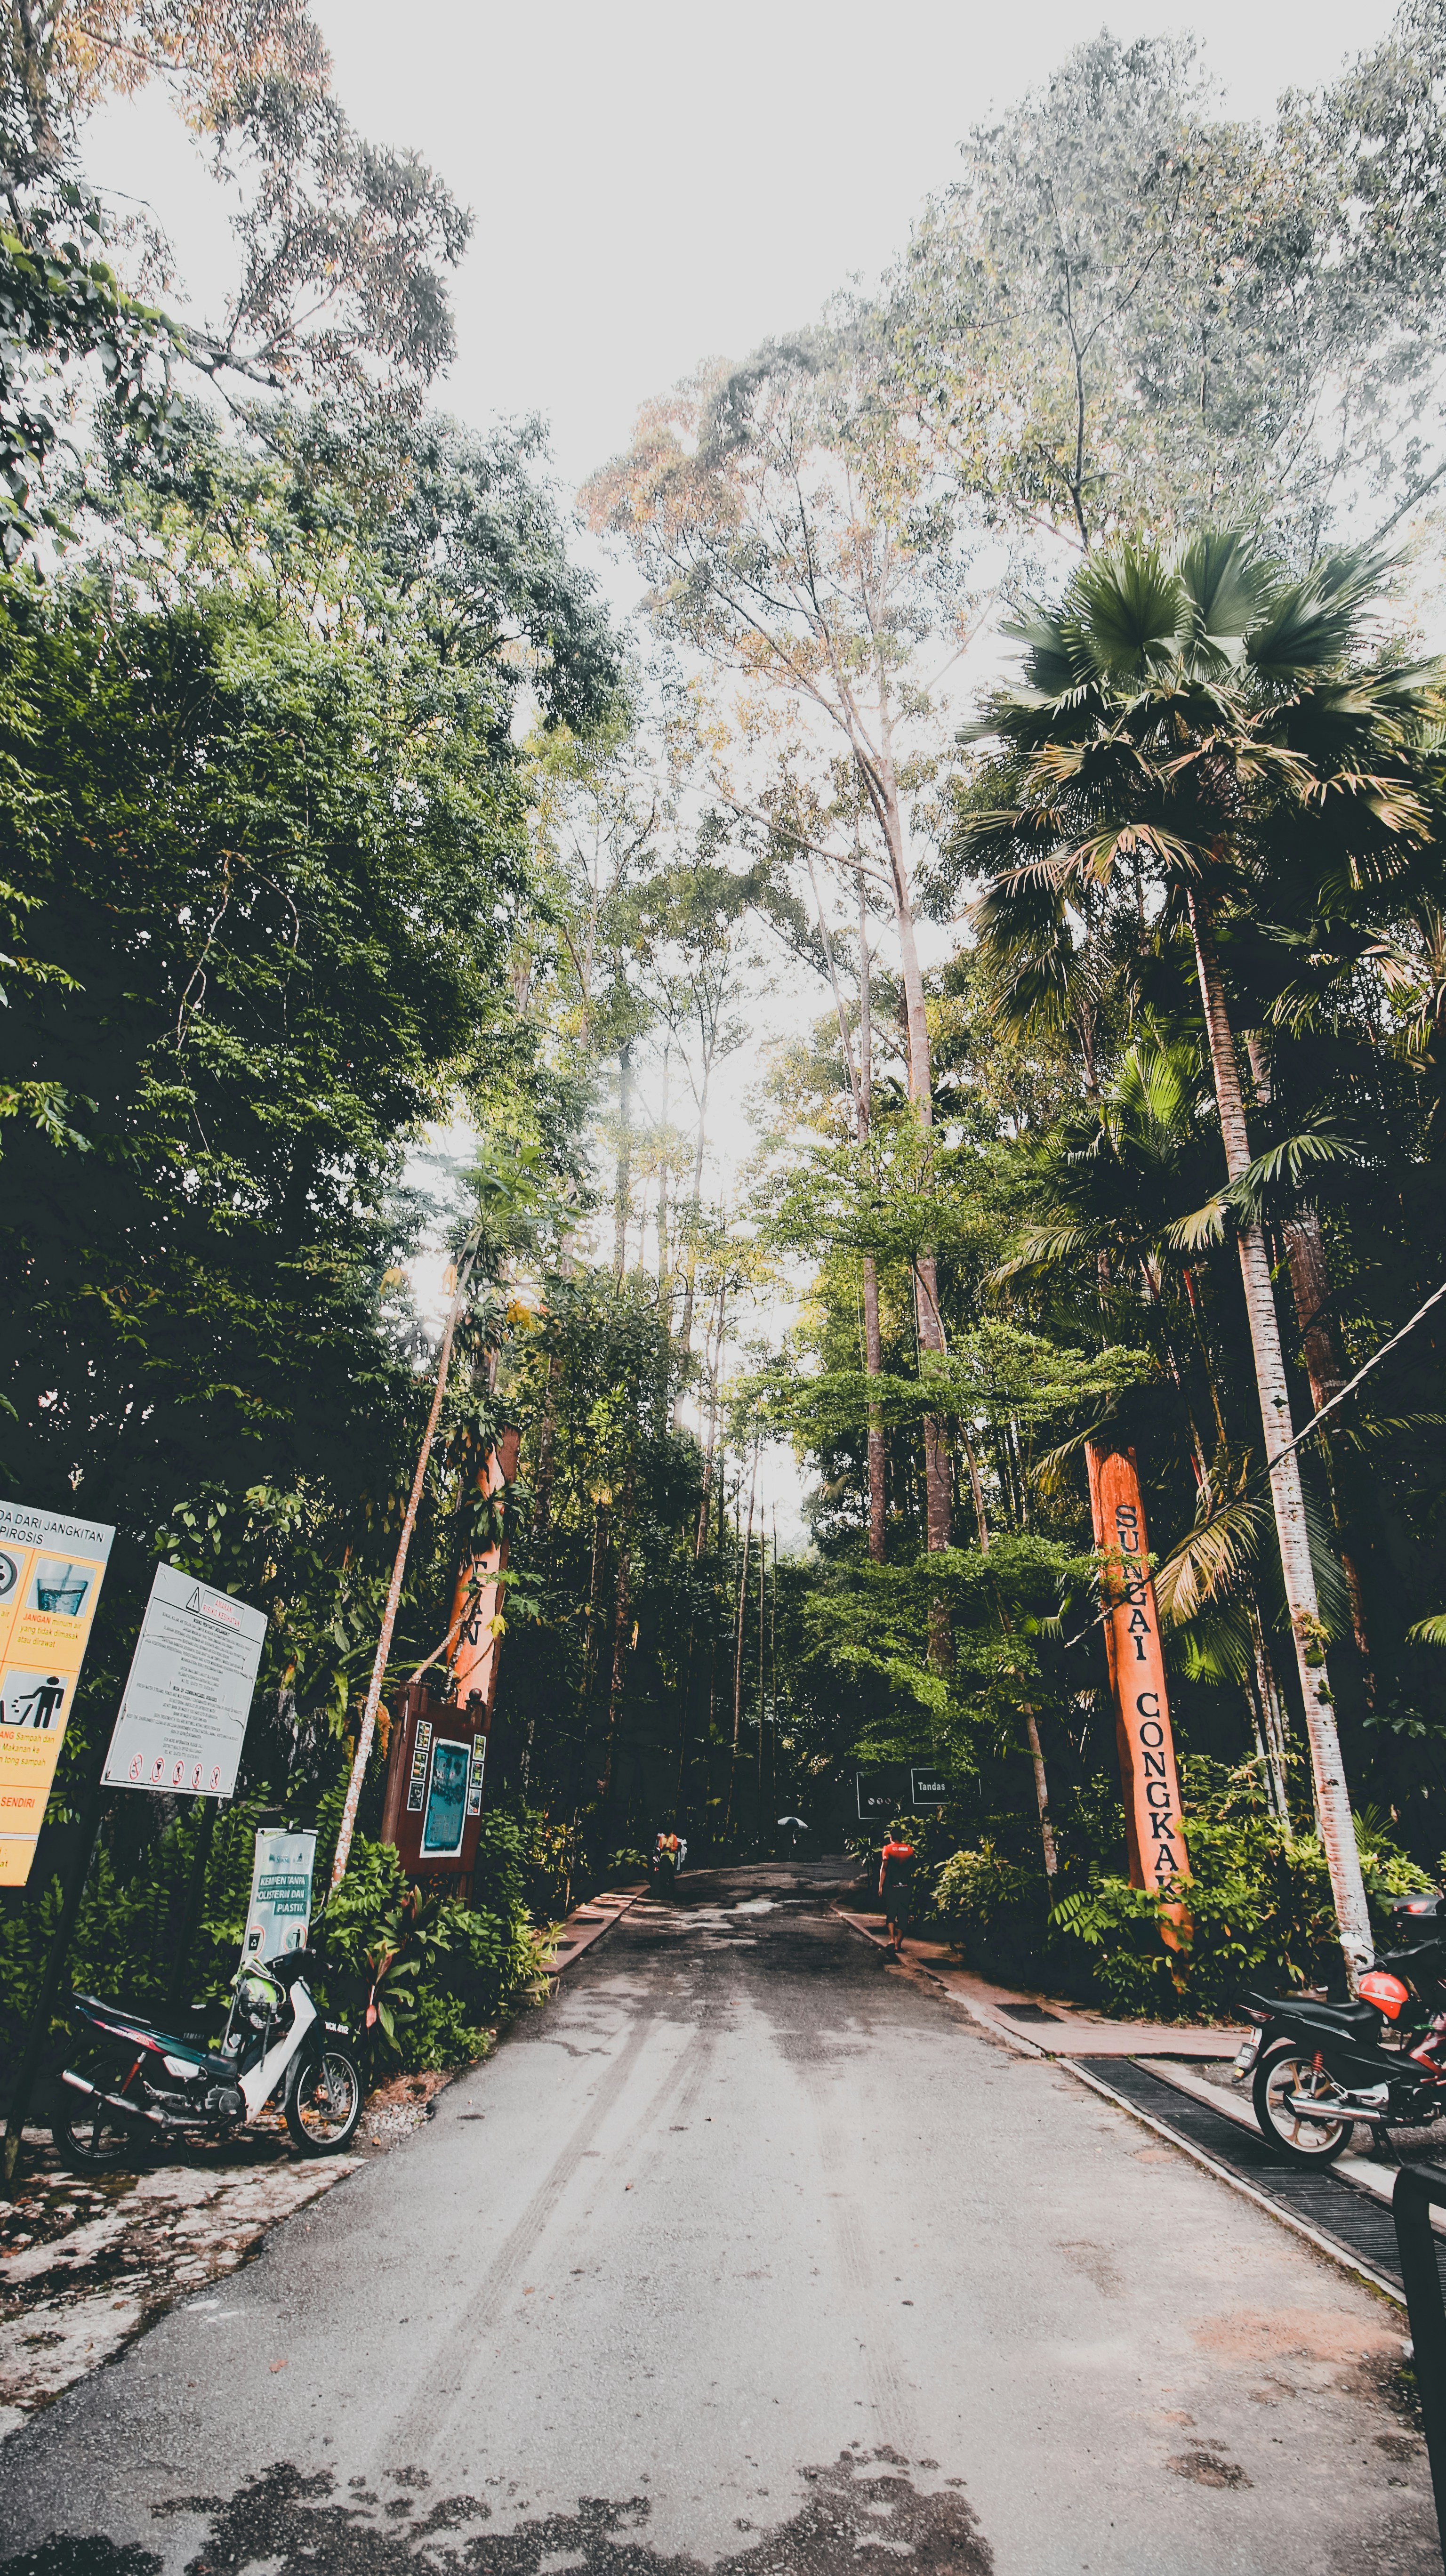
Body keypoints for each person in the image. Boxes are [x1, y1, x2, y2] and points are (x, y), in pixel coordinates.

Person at [878, 1823, 916, 1956]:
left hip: (892, 1886)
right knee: (903, 1915)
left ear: (891, 1837)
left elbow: (885, 1869)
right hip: (906, 1887)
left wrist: (881, 1885)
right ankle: (898, 1945)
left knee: (891, 1912)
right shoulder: (910, 1850)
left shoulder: (887, 1850)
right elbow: (912, 1868)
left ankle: (891, 1939)